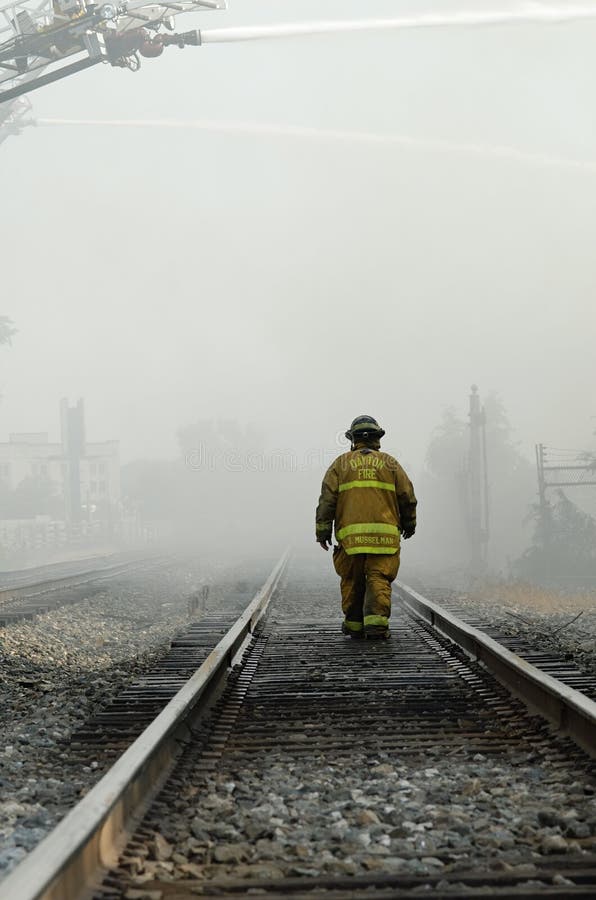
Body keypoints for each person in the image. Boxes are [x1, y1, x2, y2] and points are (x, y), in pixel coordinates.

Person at [315, 415, 417, 639]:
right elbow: (407, 497)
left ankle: (353, 626)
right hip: (385, 539)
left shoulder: (340, 464)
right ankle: (377, 626)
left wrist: (322, 531)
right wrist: (410, 524)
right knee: (378, 578)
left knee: (352, 580)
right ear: (377, 438)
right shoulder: (390, 463)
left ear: (353, 439)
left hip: (350, 541)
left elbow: (327, 500)